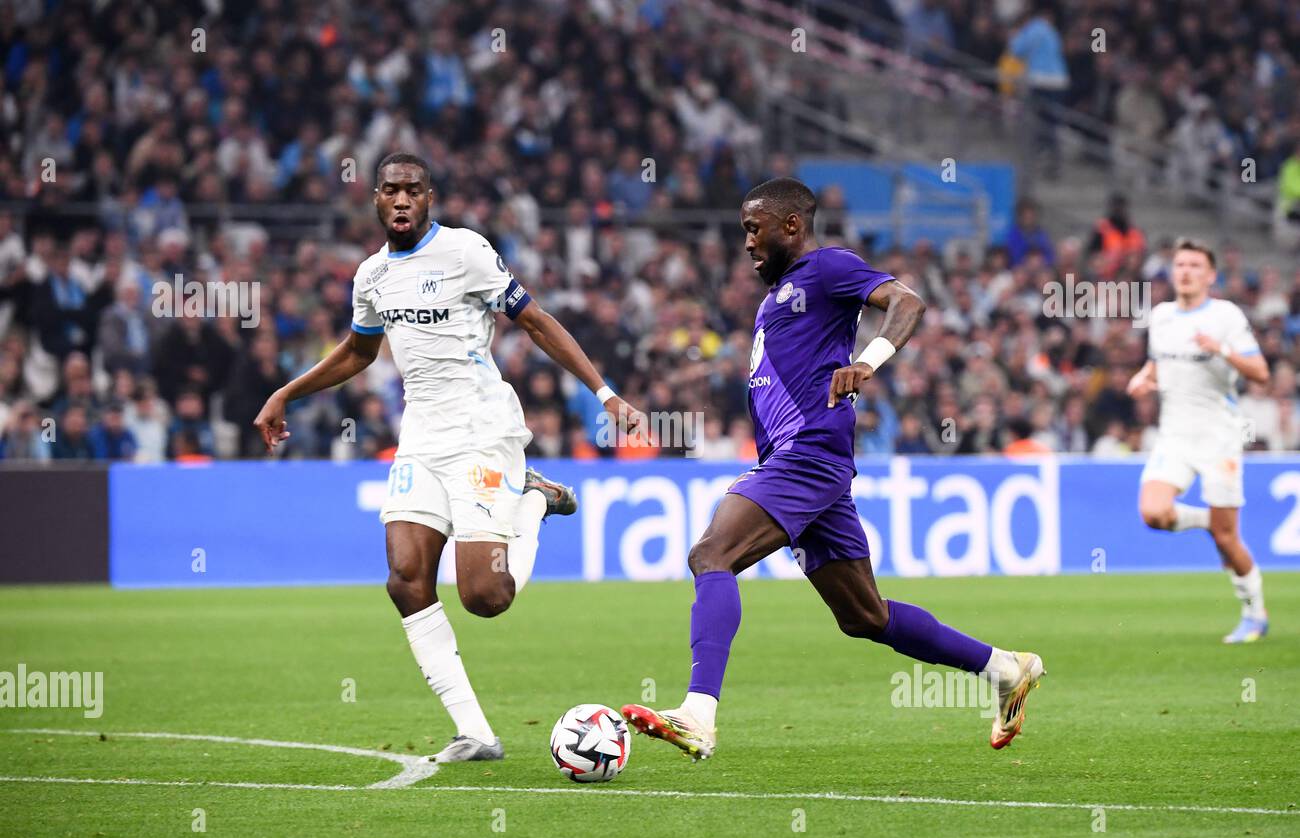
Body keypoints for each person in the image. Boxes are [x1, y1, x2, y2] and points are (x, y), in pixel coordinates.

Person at [621, 178, 1045, 761]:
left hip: (810, 452)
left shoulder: (827, 268)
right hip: (802, 462)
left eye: (754, 228)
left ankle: (698, 712)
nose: (746, 242)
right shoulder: (779, 294)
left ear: (791, 225)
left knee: (710, 556)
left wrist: (867, 361)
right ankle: (1004, 668)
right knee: (864, 616)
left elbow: (907, 303)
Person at [253, 154, 644, 763]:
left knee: (485, 597)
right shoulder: (372, 276)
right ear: (376, 199)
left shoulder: (466, 252)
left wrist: (605, 393)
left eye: (412, 190)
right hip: (421, 439)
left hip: (480, 431)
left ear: (429, 197)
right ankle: (477, 734)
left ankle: (535, 498)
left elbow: (536, 323)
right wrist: (286, 392)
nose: (401, 200)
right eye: (390, 190)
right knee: (405, 578)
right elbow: (359, 353)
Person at [1127, 239, 1271, 643]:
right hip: (1174, 435)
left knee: (1228, 539)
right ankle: (1211, 520)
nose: (1185, 271)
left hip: (1218, 437)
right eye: (1180, 264)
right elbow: (1159, 362)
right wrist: (1146, 378)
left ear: (1210, 275)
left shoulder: (1225, 316)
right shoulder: (1162, 317)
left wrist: (1220, 349)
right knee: (1153, 512)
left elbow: (1260, 372)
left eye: (1194, 265)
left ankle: (1255, 613)